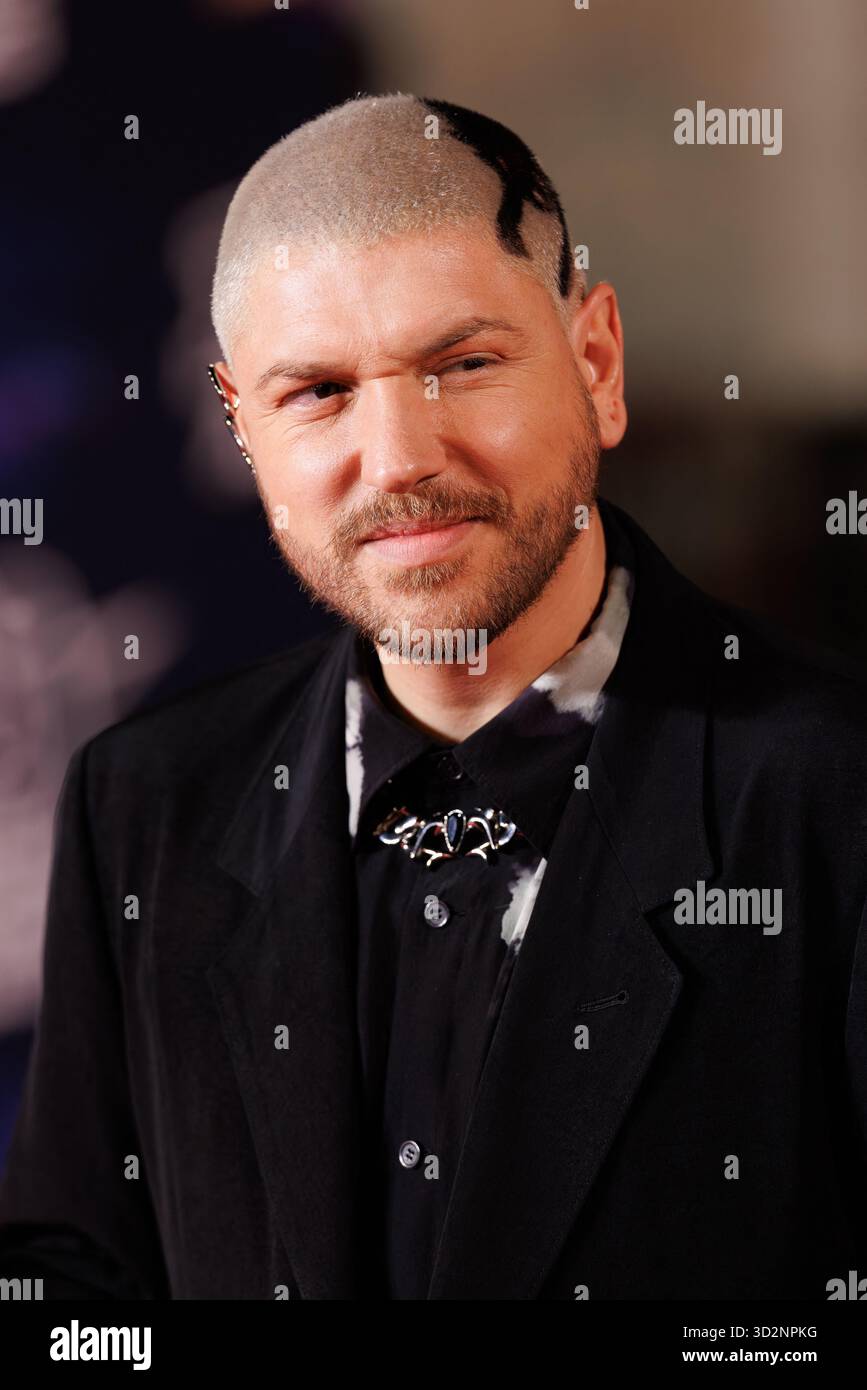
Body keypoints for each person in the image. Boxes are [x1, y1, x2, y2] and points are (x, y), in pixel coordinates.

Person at [1, 93, 866, 1301]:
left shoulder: (838, 795)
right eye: (317, 393)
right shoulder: (143, 803)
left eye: (462, 363)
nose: (400, 455)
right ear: (242, 429)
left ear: (597, 365)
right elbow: (74, 1281)